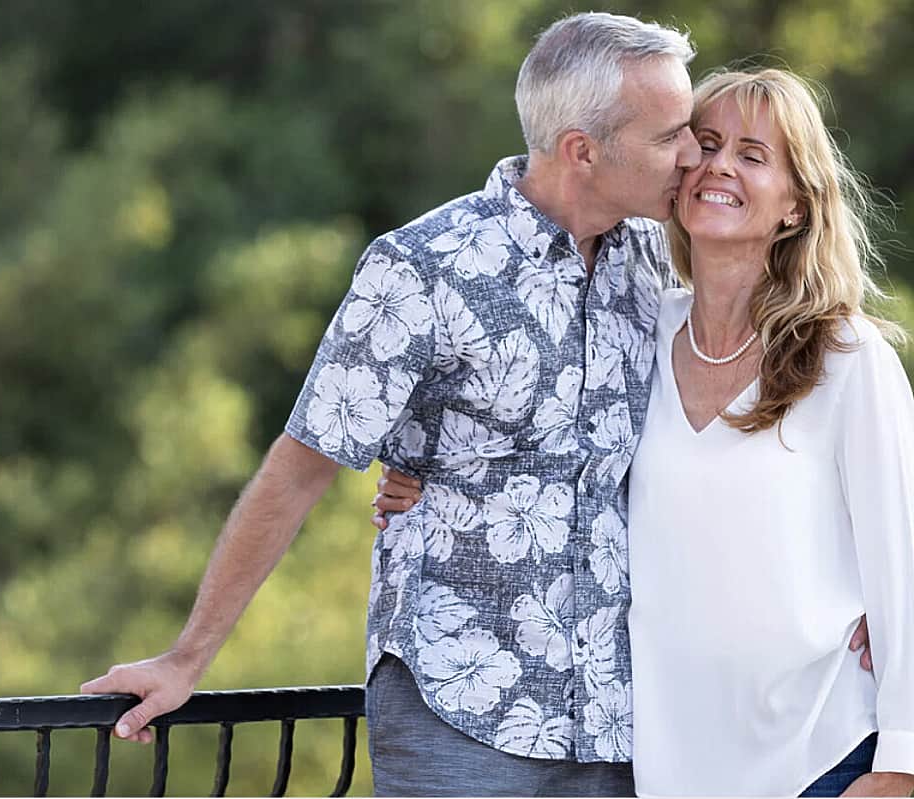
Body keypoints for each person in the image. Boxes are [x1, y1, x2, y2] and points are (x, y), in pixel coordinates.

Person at [83, 12, 701, 796]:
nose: (693, 154)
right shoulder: (423, 269)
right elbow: (300, 467)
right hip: (461, 713)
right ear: (582, 149)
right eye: (670, 136)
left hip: (623, 718)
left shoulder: (660, 263)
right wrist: (186, 657)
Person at [372, 68, 912, 796]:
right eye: (708, 143)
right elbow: (536, 448)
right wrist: (429, 477)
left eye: (753, 155)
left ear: (795, 206)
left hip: (823, 755)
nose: (719, 165)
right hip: (667, 767)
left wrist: (900, 766)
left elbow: (903, 566)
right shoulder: (634, 331)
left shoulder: (847, 358)